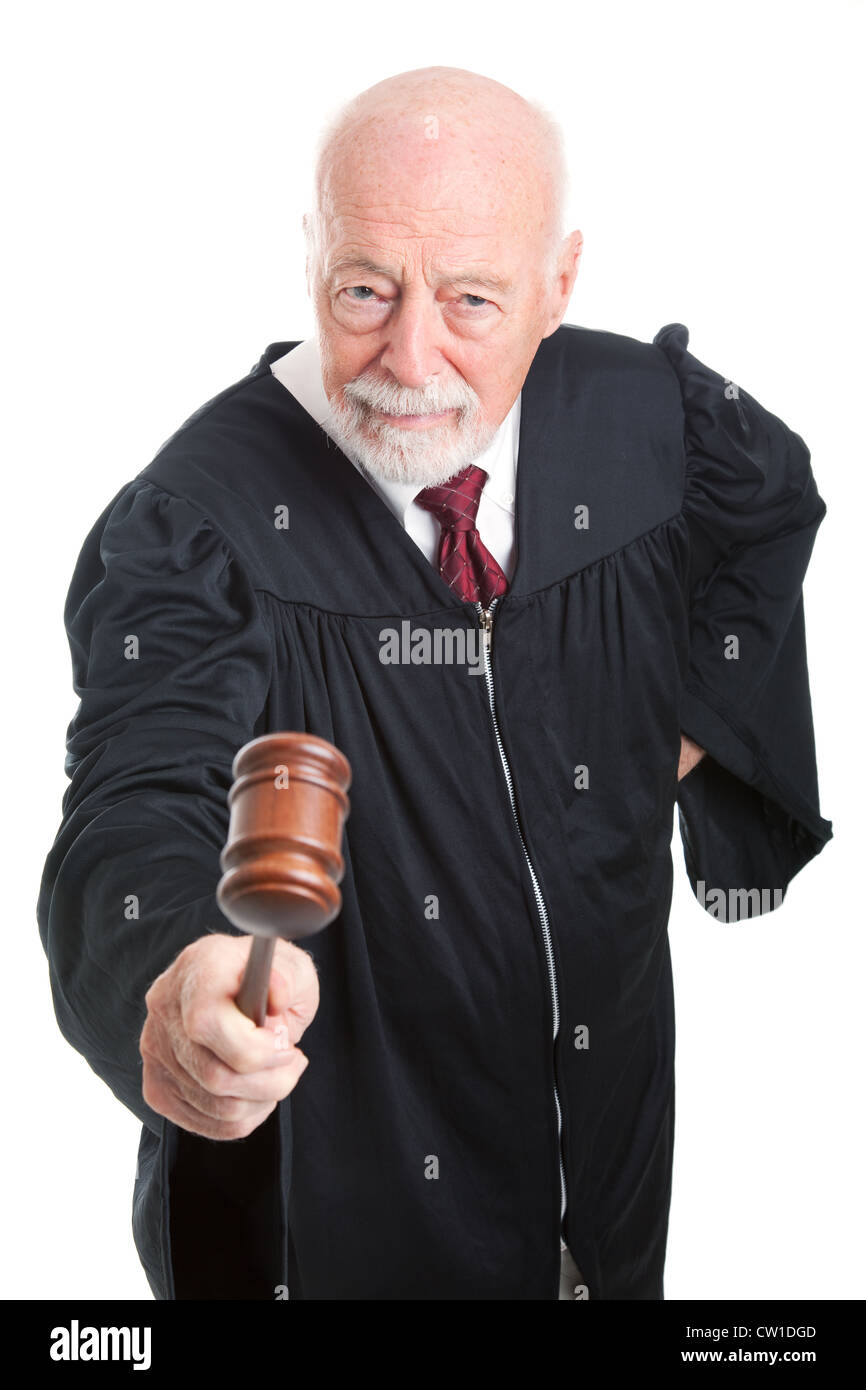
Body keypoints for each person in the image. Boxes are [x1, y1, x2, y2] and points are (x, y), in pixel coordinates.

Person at [37, 65, 832, 1301]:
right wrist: (178, 970)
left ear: (558, 282)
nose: (410, 359)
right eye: (364, 288)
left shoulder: (644, 416)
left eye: (470, 298)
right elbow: (134, 804)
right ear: (312, 257)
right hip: (341, 1225)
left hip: (608, 1185)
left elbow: (772, 500)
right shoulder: (199, 524)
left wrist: (670, 742)